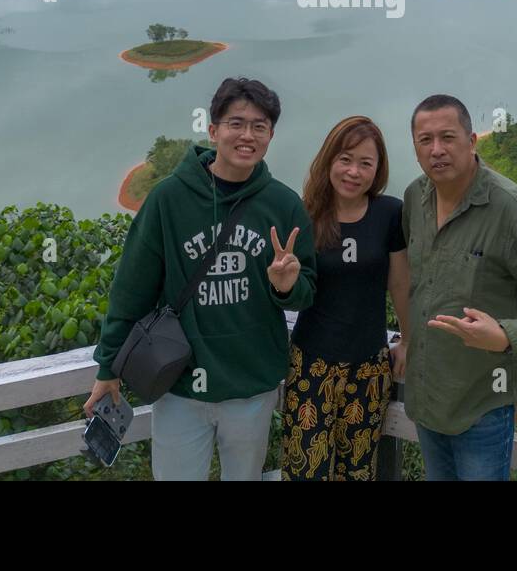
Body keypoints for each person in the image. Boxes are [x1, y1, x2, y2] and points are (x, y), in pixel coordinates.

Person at [85, 77, 316, 480]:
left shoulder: (283, 204)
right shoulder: (169, 199)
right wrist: (107, 366)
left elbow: (306, 291)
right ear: (213, 131)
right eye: (236, 123)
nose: (247, 135)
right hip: (179, 383)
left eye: (259, 126)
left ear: (271, 135)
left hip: (251, 384)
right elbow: (132, 289)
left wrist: (285, 286)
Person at [402, 94, 517, 481]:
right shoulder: (415, 198)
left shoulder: (510, 209)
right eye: (425, 140)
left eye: (448, 137)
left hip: (484, 401)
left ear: (471, 140)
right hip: (428, 394)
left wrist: (504, 335)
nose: (437, 150)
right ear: (414, 147)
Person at [281, 116, 409, 481]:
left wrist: (408, 338)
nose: (354, 172)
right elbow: (292, 291)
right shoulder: (305, 215)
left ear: (378, 169)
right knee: (305, 470)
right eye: (345, 159)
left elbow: (400, 285)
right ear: (329, 160)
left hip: (369, 367)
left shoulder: (389, 213)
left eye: (365, 163)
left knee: (358, 471)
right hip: (310, 365)